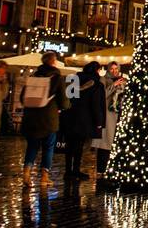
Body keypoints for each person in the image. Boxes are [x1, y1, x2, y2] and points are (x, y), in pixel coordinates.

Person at [20, 51, 67, 188]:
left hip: (31, 118)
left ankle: (27, 172)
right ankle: (44, 177)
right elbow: (64, 102)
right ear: (53, 62)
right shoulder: (57, 77)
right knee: (48, 147)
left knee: (32, 146)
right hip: (48, 119)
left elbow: (22, 98)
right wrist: (64, 106)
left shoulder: (33, 76)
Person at [60, 60, 106, 179]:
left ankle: (68, 171)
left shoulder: (73, 80)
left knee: (69, 146)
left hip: (69, 117)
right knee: (79, 146)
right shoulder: (96, 84)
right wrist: (99, 121)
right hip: (85, 120)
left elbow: (67, 98)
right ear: (97, 70)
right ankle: (75, 170)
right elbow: (96, 105)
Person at [92, 61, 126, 177]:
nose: (114, 71)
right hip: (108, 116)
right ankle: (101, 170)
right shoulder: (103, 80)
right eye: (112, 69)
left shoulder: (122, 81)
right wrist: (114, 85)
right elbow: (102, 96)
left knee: (114, 144)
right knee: (105, 145)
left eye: (116, 69)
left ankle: (112, 169)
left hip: (118, 115)